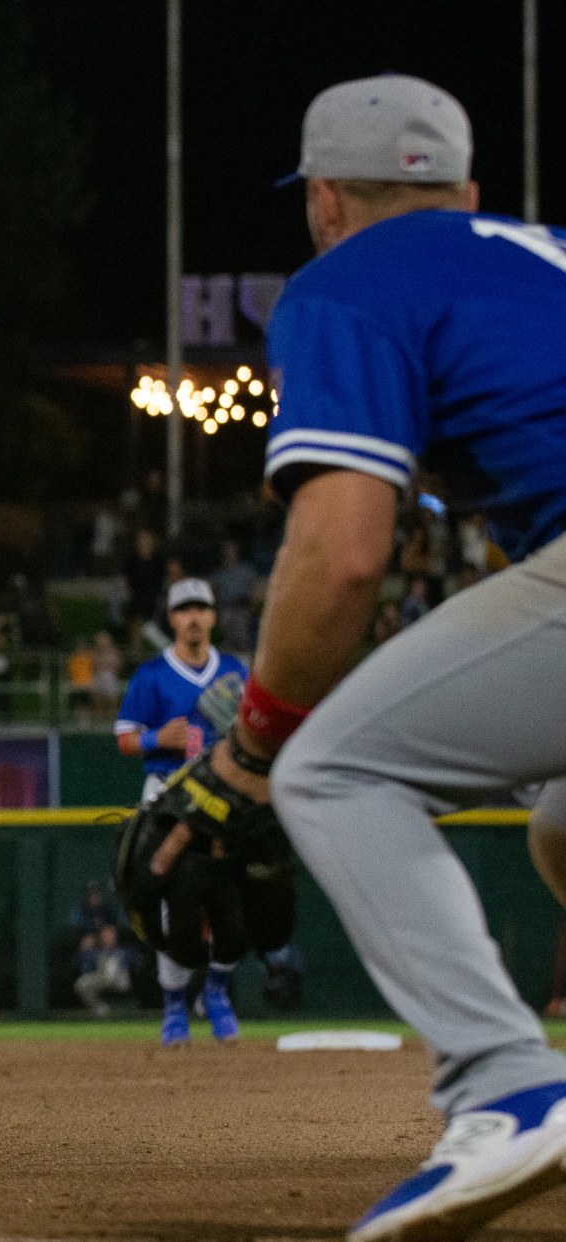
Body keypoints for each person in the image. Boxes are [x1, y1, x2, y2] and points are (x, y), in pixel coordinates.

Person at [182, 76, 566, 1240]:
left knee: (332, 769)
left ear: (327, 207)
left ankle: (506, 1083)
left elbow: (346, 554)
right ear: (467, 192)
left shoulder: (350, 279)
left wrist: (251, 751)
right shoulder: (540, 255)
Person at [116, 578, 251, 1047]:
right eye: (184, 609)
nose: (193, 617)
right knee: (174, 910)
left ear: (213, 616)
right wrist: (159, 739)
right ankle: (174, 1005)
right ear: (171, 619)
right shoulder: (152, 675)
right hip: (167, 796)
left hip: (224, 797)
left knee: (238, 902)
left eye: (201, 608)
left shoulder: (235, 670)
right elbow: (124, 737)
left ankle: (214, 992)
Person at [72, 925, 134, 1018]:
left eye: (111, 935)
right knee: (82, 984)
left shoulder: (124, 951)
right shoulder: (94, 953)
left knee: (113, 964)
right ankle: (100, 1009)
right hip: (101, 979)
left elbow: (137, 964)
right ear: (101, 938)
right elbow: (82, 967)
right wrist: (83, 950)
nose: (108, 938)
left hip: (121, 979)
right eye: (105, 936)